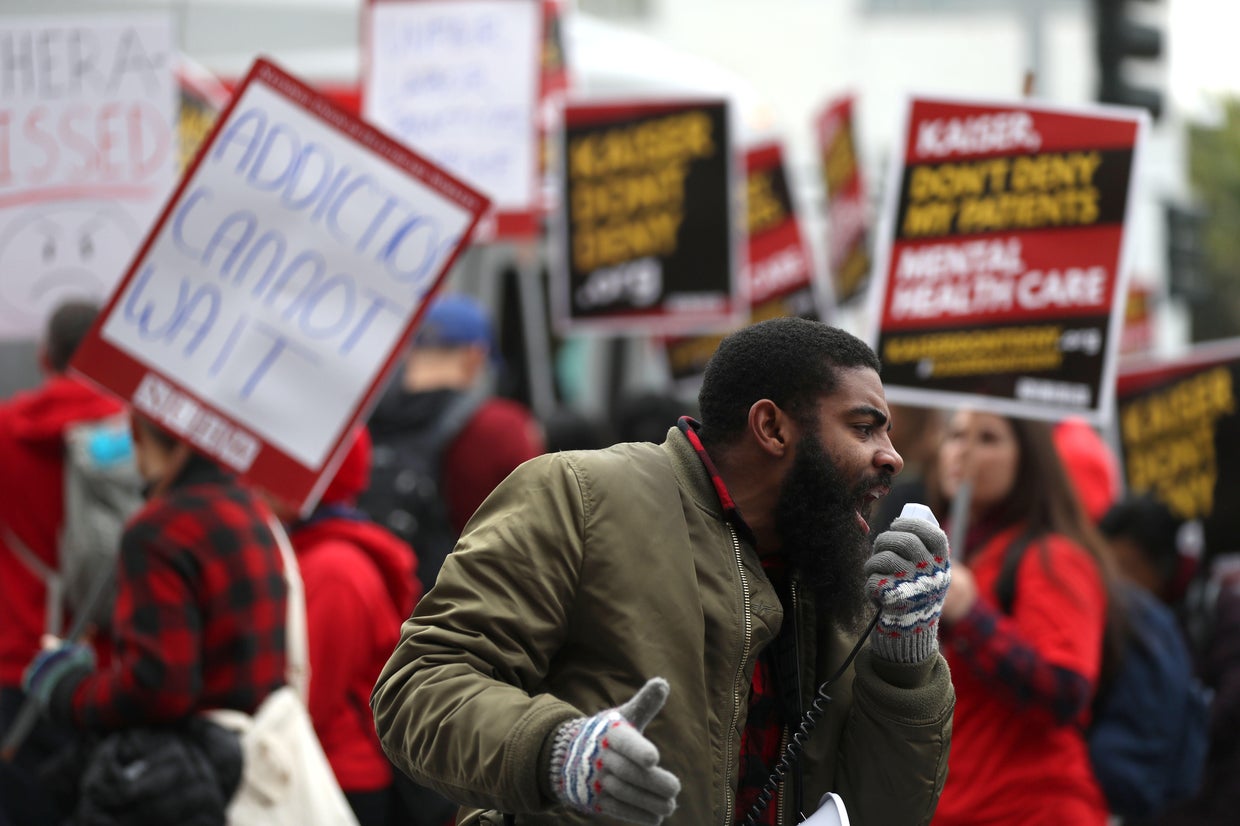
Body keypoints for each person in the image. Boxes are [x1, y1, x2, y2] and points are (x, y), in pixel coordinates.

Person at [372, 317, 955, 826]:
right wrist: (557, 751)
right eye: (863, 426)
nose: (892, 456)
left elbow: (888, 810)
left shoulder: (833, 571)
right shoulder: (580, 495)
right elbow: (419, 687)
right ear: (772, 428)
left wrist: (905, 662)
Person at [19, 414, 289, 820]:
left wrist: (68, 686)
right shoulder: (248, 507)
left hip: (175, 786)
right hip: (246, 769)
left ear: (135, 433)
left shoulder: (158, 531)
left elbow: (159, 688)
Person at [930, 409, 1116, 825]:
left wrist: (970, 615)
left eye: (989, 439)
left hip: (1031, 807)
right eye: (956, 434)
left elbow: (1064, 691)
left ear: (1027, 459)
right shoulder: (939, 549)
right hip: (952, 805)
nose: (965, 451)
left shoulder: (1055, 556)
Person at [0, 300, 123, 825]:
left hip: (17, 662)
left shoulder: (6, 431)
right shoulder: (140, 437)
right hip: (114, 666)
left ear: (45, 354)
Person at [270, 427, 421, 826]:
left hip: (337, 780)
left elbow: (308, 696)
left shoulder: (333, 568)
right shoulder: (320, 553)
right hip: (328, 770)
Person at [363, 291, 545, 595]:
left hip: (374, 600)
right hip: (449, 615)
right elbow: (533, 537)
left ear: (409, 351)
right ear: (476, 356)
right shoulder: (501, 428)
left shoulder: (362, 422)